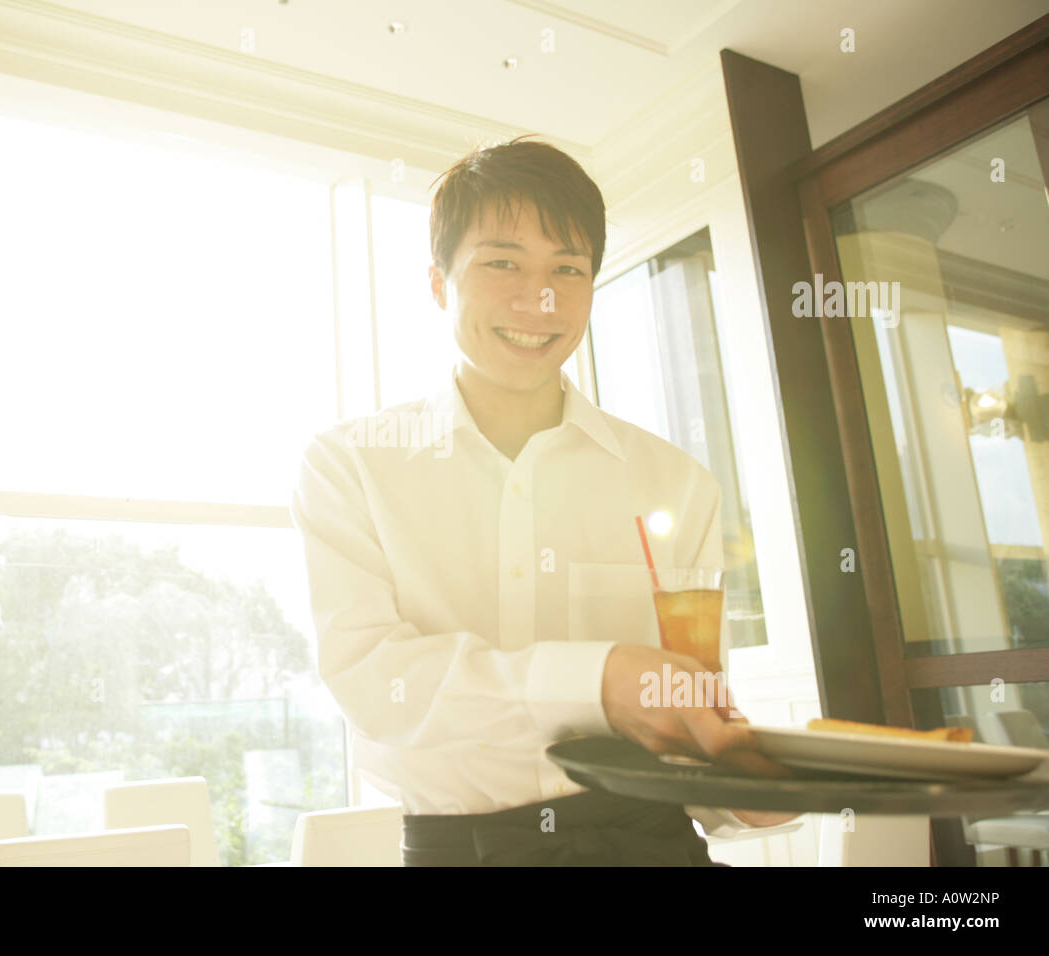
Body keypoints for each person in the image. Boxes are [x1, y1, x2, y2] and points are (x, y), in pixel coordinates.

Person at [291, 135, 800, 866]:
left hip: (653, 848)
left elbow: (691, 707)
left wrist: (743, 792)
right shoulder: (349, 467)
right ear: (438, 282)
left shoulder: (678, 483)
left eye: (570, 268)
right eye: (503, 262)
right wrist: (599, 679)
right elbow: (379, 685)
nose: (542, 298)